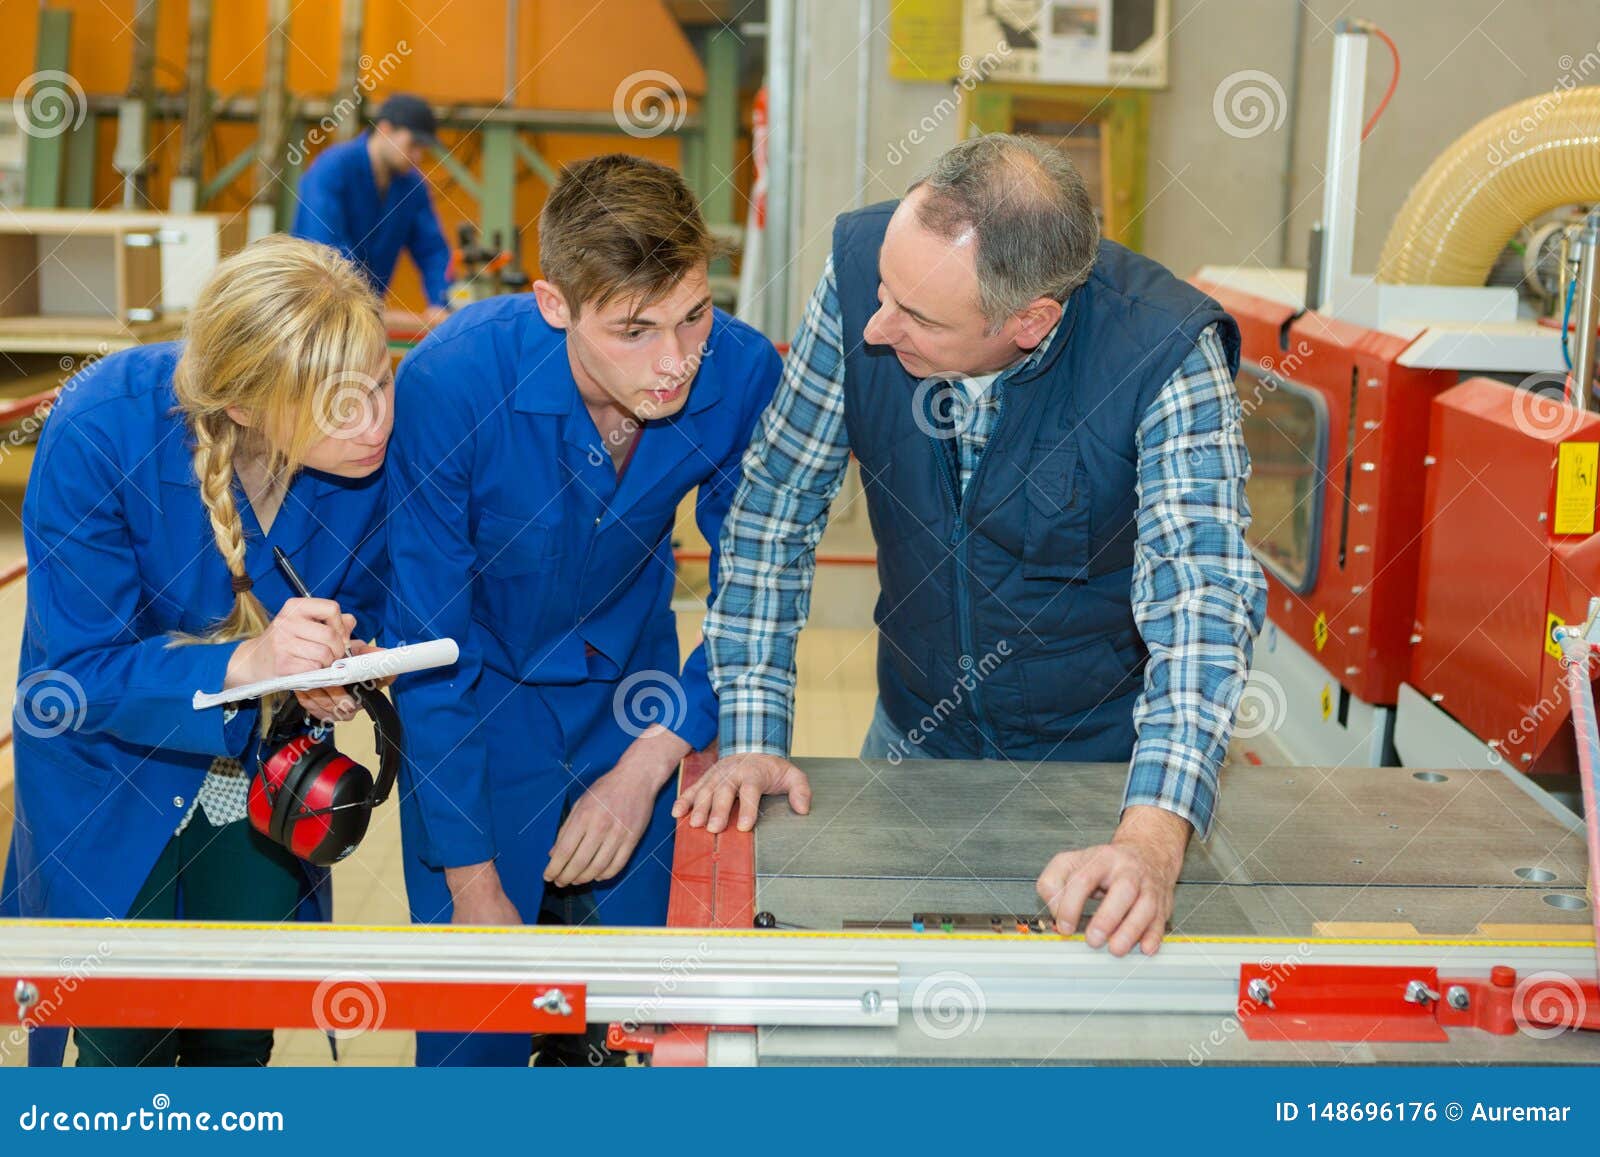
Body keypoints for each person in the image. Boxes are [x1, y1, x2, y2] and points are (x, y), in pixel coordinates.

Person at [681, 133, 1269, 958]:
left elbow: (1203, 601)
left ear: (1030, 322)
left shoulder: (1163, 352)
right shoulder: (866, 271)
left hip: (1097, 767)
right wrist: (751, 737)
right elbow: (776, 507)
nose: (876, 327)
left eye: (917, 317)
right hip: (912, 736)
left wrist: (1148, 836)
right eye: (882, 293)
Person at [386, 153, 781, 1066]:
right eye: (634, 330)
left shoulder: (741, 373)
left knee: (647, 1023)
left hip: (639, 697)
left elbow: (755, 590)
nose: (676, 362)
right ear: (554, 304)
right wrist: (472, 882)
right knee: (472, 1037)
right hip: (477, 706)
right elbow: (426, 646)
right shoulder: (453, 383)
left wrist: (650, 762)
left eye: (694, 314)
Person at [0, 236, 393, 1066]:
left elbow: (379, 594)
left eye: (381, 382)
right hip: (110, 775)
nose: (375, 423)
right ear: (246, 408)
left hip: (263, 779)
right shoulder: (101, 425)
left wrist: (342, 662)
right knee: (120, 1038)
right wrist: (246, 665)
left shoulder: (370, 459)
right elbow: (74, 677)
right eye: (335, 407)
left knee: (238, 1028)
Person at [292, 93, 452, 326]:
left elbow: (433, 251)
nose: (417, 156)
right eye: (413, 145)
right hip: (313, 314)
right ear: (385, 130)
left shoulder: (412, 187)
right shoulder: (331, 169)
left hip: (365, 320)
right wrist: (361, 306)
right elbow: (323, 250)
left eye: (422, 149)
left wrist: (441, 303)